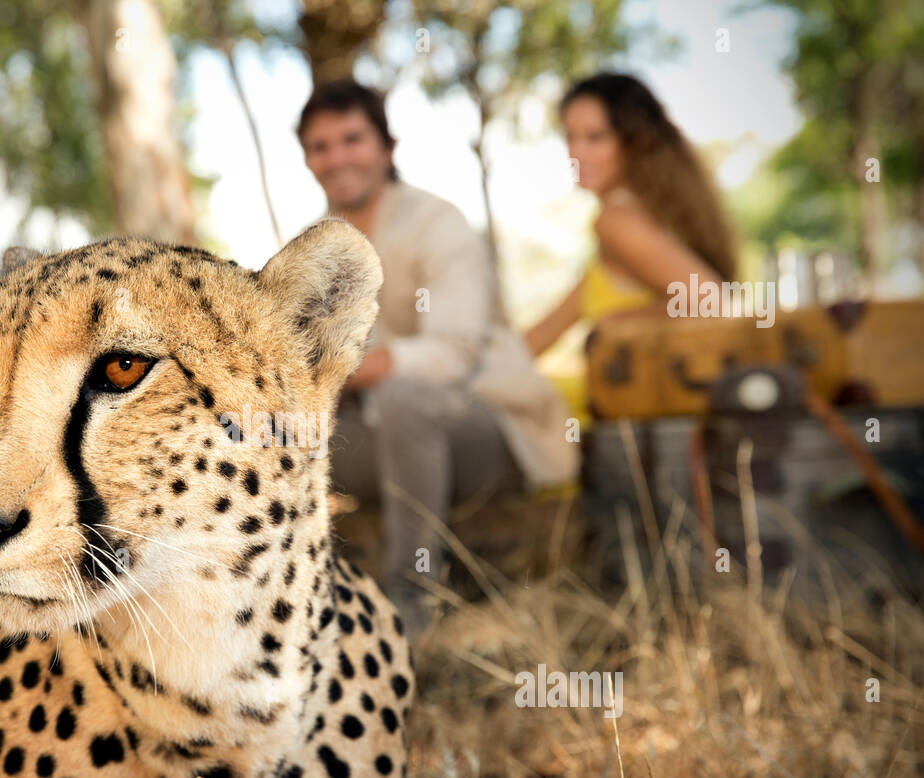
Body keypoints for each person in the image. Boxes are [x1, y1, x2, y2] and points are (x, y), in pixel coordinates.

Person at [297, 79, 578, 640]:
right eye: (320, 146)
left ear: (387, 149)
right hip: (378, 445)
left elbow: (452, 356)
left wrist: (343, 372)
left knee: (407, 399)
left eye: (352, 139)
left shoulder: (438, 223)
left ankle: (411, 603)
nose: (337, 157)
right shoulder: (313, 247)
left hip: (488, 431)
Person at [525, 72, 737, 358]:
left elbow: (713, 303)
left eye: (595, 137)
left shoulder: (616, 220)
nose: (576, 151)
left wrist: (610, 328)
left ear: (635, 141)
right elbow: (549, 329)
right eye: (570, 137)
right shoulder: (641, 218)